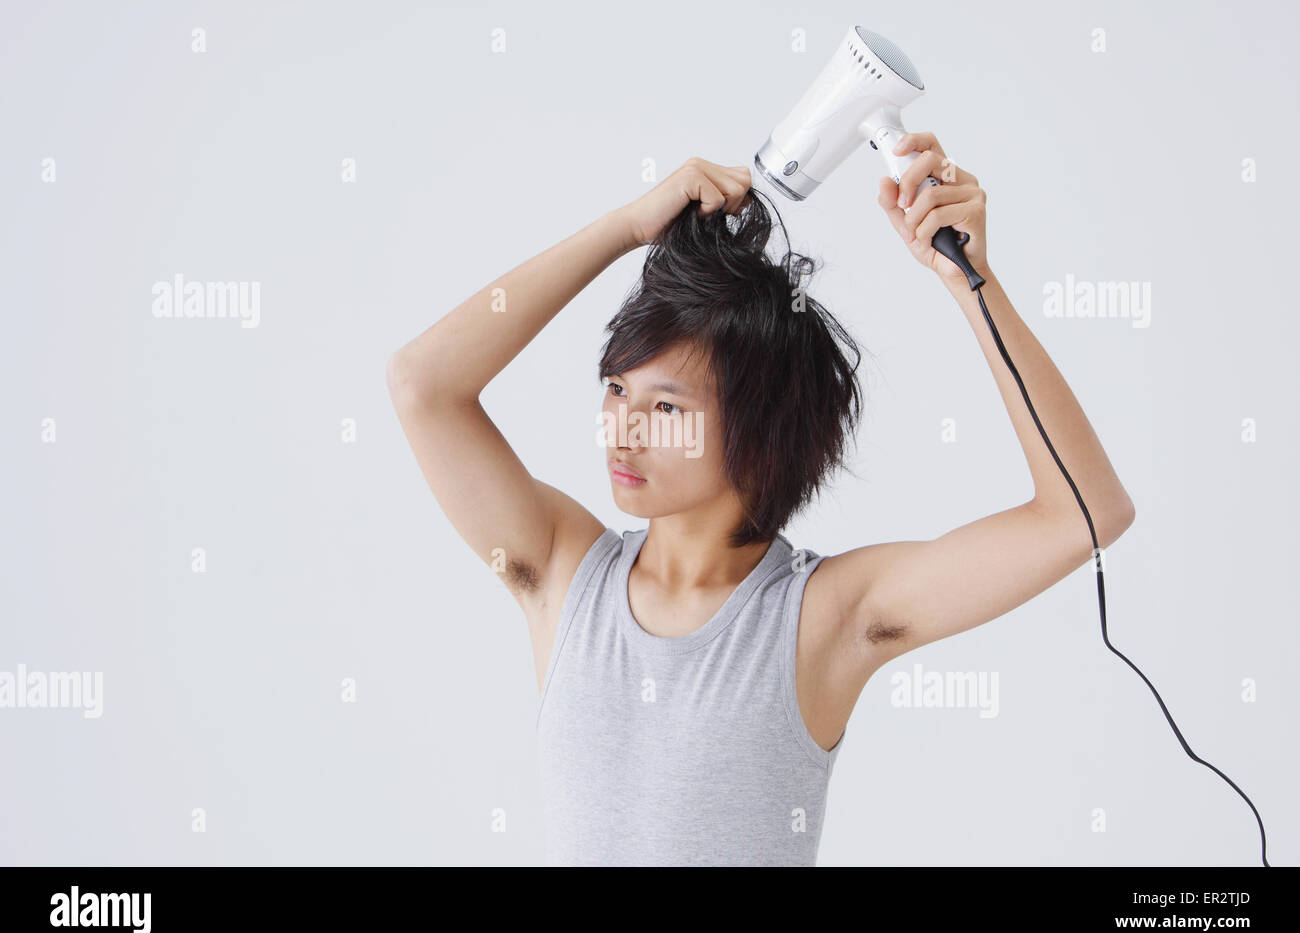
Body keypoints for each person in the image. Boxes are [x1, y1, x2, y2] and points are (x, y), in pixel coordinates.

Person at [385, 137, 1136, 866]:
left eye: (667, 407)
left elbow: (1084, 516)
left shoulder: (823, 618)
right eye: (616, 390)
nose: (622, 430)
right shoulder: (561, 573)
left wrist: (973, 282)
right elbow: (423, 386)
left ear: (756, 429)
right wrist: (625, 229)